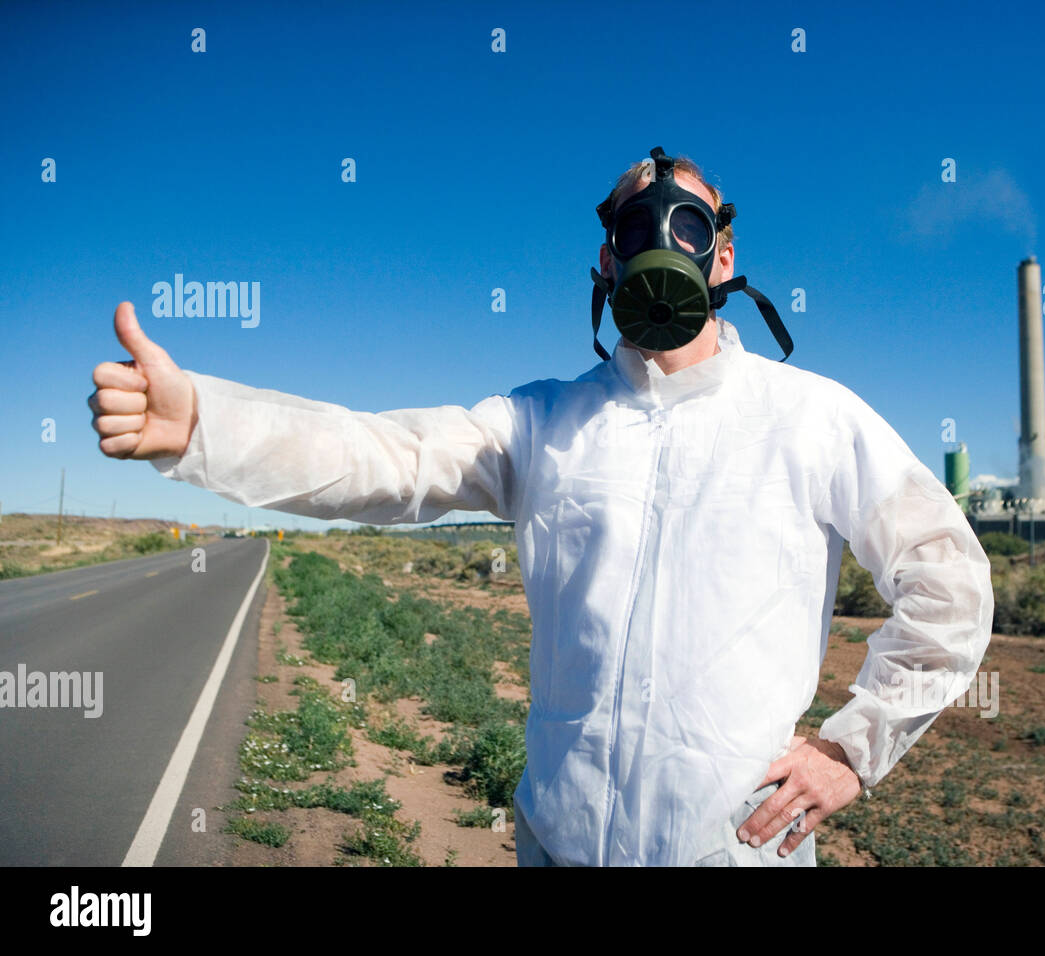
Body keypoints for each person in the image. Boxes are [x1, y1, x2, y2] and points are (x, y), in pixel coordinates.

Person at [88, 147, 994, 867]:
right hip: (555, 842)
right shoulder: (541, 421)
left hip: (734, 848)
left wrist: (850, 750)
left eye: (684, 222)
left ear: (723, 256)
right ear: (607, 255)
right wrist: (206, 423)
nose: (658, 242)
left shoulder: (811, 417)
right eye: (635, 222)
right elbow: (387, 456)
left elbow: (948, 580)